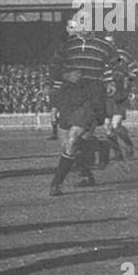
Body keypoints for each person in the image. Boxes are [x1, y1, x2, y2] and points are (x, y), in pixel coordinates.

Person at [48, 14, 117, 196]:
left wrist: (110, 82)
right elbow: (54, 72)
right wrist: (65, 77)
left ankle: (56, 184)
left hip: (91, 96)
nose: (84, 26)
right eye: (81, 23)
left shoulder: (105, 46)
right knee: (67, 143)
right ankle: (96, 151)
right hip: (69, 96)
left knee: (73, 139)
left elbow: (113, 66)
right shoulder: (67, 47)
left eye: (88, 22)